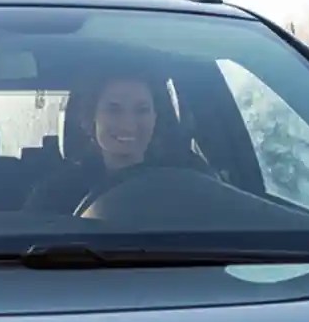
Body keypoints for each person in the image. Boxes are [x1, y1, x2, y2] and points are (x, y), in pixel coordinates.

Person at [22, 69, 210, 215]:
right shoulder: (54, 196)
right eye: (114, 110)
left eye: (142, 110)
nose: (128, 125)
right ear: (91, 117)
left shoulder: (193, 184)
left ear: (156, 116)